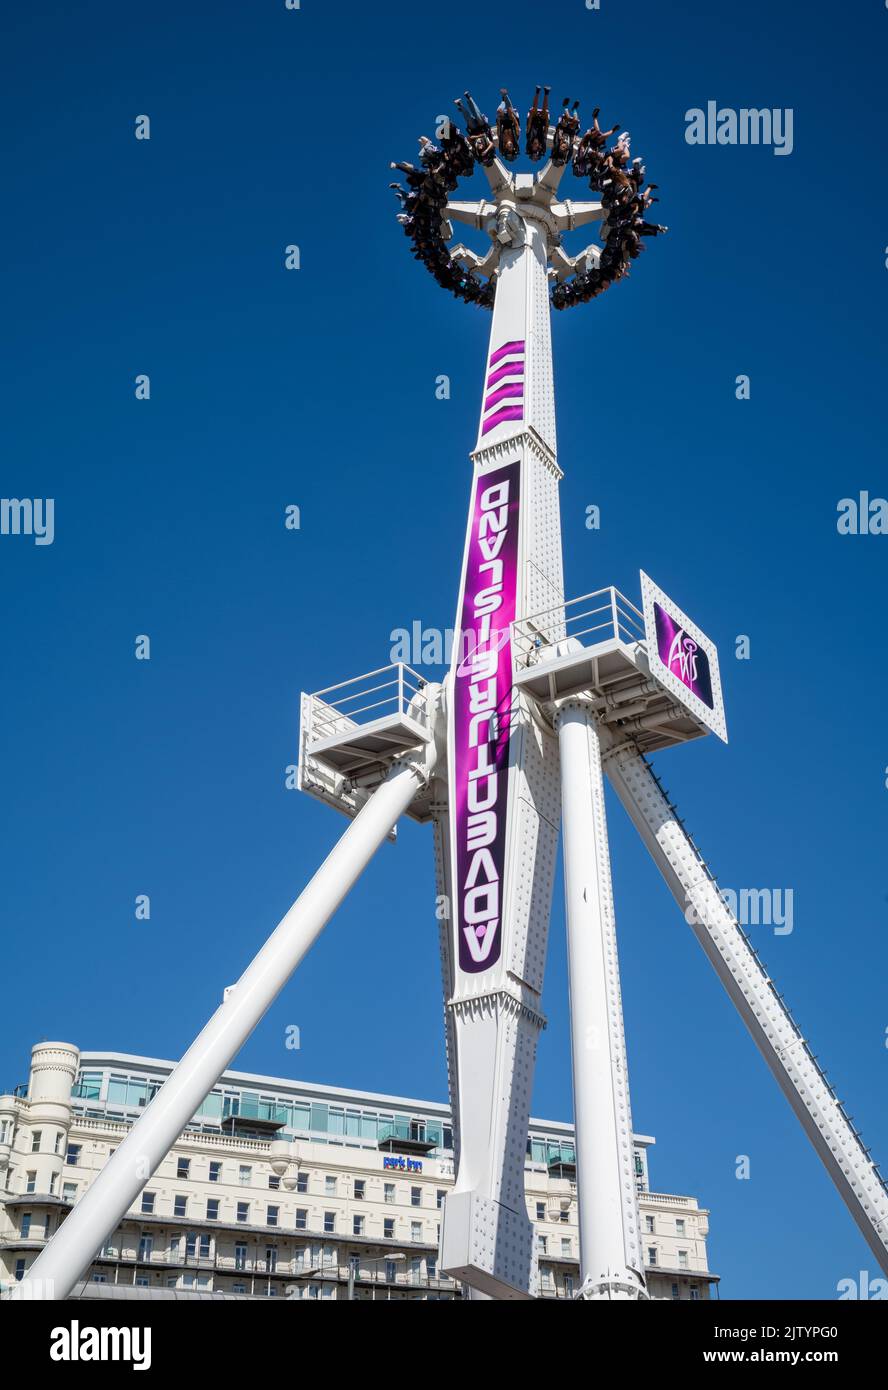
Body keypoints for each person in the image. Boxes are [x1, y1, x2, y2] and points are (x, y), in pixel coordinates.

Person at [552, 98, 580, 166]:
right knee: (575, 121)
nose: (564, 146)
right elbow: (573, 138)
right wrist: (574, 138)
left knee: (567, 118)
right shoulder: (569, 149)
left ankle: (565, 106)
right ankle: (574, 109)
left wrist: (560, 135)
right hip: (570, 132)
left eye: (562, 147)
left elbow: (558, 132)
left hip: (562, 128)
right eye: (564, 148)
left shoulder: (556, 143)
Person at [525, 85, 551, 160]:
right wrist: (546, 116)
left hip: (532, 121)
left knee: (534, 110)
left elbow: (529, 125)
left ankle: (537, 92)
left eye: (533, 147)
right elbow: (546, 128)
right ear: (539, 146)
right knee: (544, 112)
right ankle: (546, 93)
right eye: (536, 147)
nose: (535, 146)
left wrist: (531, 115)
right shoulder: (542, 139)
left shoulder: (530, 137)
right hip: (542, 123)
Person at [496, 89, 520, 162]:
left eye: (508, 150)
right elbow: (516, 124)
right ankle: (505, 95)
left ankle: (503, 101)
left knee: (499, 111)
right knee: (509, 111)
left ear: (505, 147)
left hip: (504, 121)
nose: (510, 147)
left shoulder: (501, 139)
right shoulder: (516, 137)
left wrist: (499, 119)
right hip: (513, 120)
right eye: (512, 150)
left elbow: (498, 127)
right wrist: (512, 117)